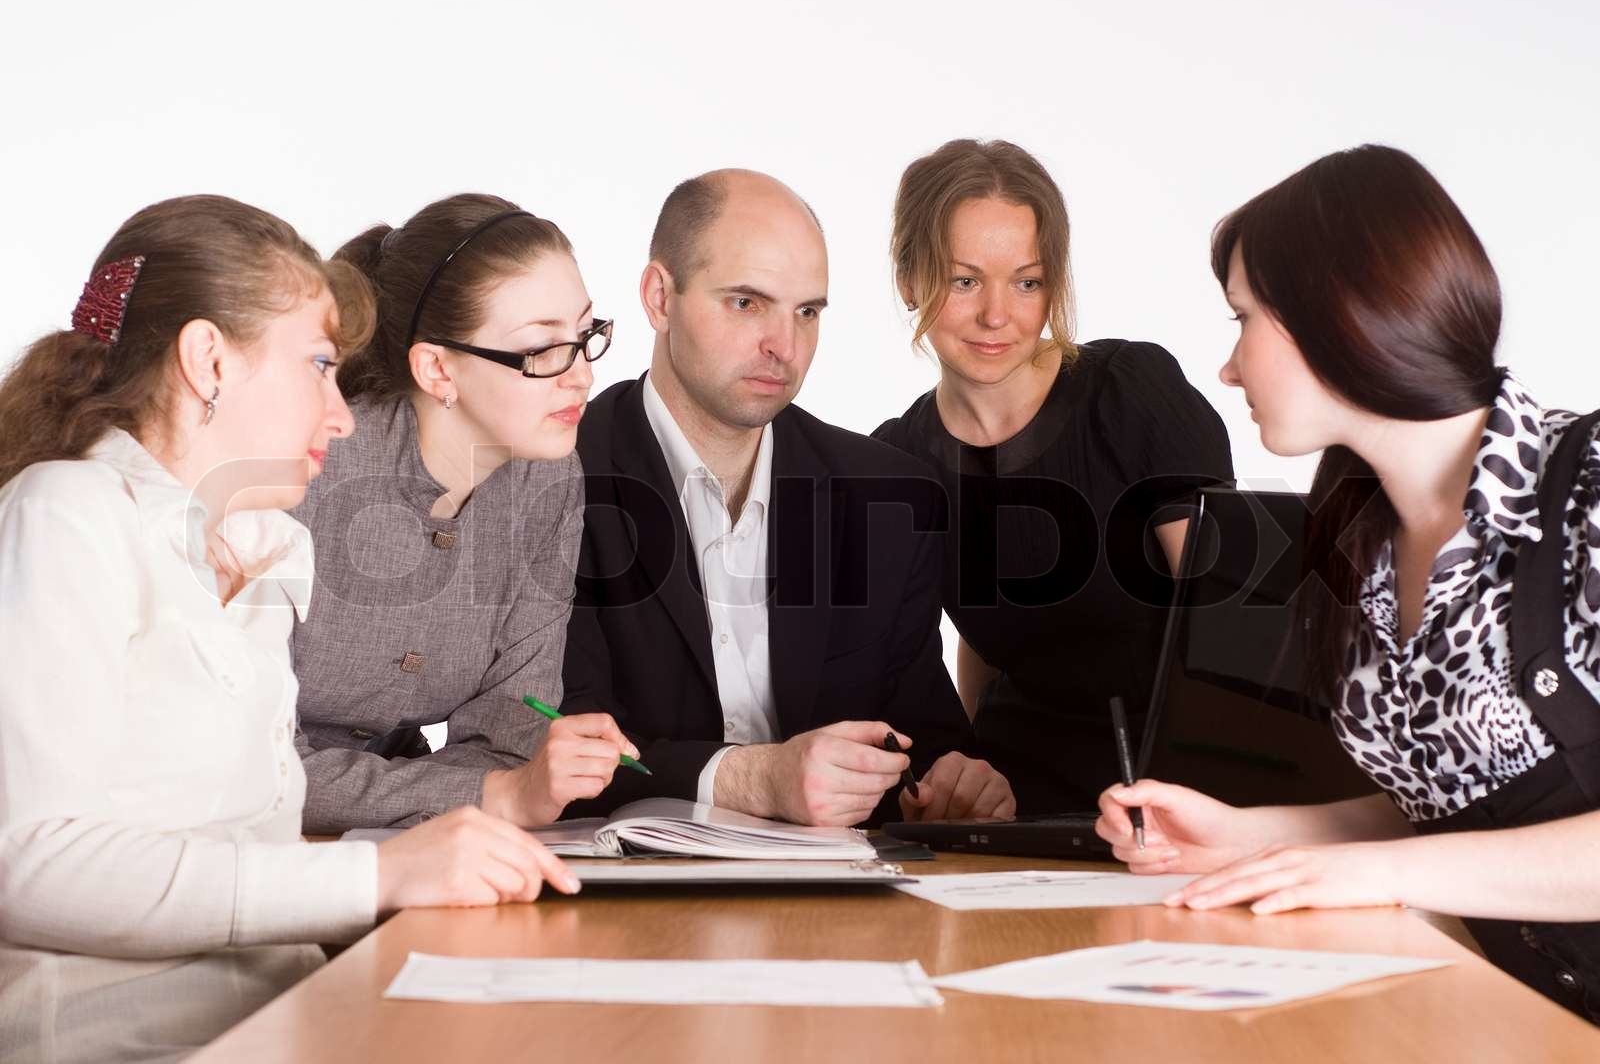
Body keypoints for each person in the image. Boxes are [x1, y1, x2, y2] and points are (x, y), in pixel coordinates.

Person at [0, 196, 578, 1063]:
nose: (342, 414)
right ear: (208, 361)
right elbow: (31, 866)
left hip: (283, 1007)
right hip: (118, 1031)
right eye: (316, 365)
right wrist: (382, 874)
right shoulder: (66, 513)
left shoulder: (266, 546)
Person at [1096, 144, 1600, 1022]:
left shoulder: (1588, 484)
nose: (1228, 366)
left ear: (1337, 313)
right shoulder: (1356, 546)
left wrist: (1374, 874)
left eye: (1241, 318)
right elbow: (1446, 809)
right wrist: (1241, 834)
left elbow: (1427, 855)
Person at [562, 169, 1011, 827]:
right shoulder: (553, 483)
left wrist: (949, 784)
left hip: (842, 912)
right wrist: (750, 777)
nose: (785, 345)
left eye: (806, 311)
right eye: (746, 303)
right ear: (659, 298)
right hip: (624, 911)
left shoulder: (887, 496)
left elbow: (920, 743)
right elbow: (545, 751)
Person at [873, 139, 1234, 813]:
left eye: (1027, 281)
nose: (996, 315)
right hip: (1016, 804)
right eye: (964, 280)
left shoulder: (1130, 394)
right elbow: (978, 655)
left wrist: (1210, 811)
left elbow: (1227, 630)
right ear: (909, 281)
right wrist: (970, 785)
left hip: (1178, 796)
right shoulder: (896, 463)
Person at [290, 194, 634, 834]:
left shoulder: (550, 478)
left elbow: (511, 729)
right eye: (543, 350)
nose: (582, 375)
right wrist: (493, 796)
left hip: (403, 843)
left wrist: (517, 781)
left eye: (587, 335)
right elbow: (256, 769)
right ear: (438, 369)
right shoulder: (307, 467)